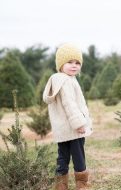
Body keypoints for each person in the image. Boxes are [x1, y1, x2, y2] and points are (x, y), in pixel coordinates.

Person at [43, 43, 93, 189]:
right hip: (74, 128)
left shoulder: (59, 79)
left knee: (63, 156)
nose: (74, 65)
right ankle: (82, 185)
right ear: (60, 64)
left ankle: (61, 185)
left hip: (62, 128)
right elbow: (69, 104)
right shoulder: (66, 81)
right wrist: (79, 124)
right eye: (70, 62)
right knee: (79, 156)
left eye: (77, 63)